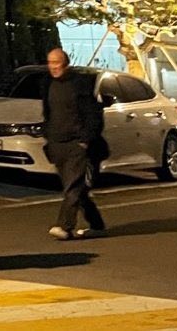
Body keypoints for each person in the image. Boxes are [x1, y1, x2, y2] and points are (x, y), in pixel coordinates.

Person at [42, 47, 107, 240]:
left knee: (73, 186)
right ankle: (96, 223)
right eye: (50, 63)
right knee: (76, 188)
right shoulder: (47, 84)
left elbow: (94, 114)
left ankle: (65, 226)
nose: (53, 67)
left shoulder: (79, 84)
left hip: (76, 144)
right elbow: (48, 112)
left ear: (65, 63)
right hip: (57, 143)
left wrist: (85, 141)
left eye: (56, 62)